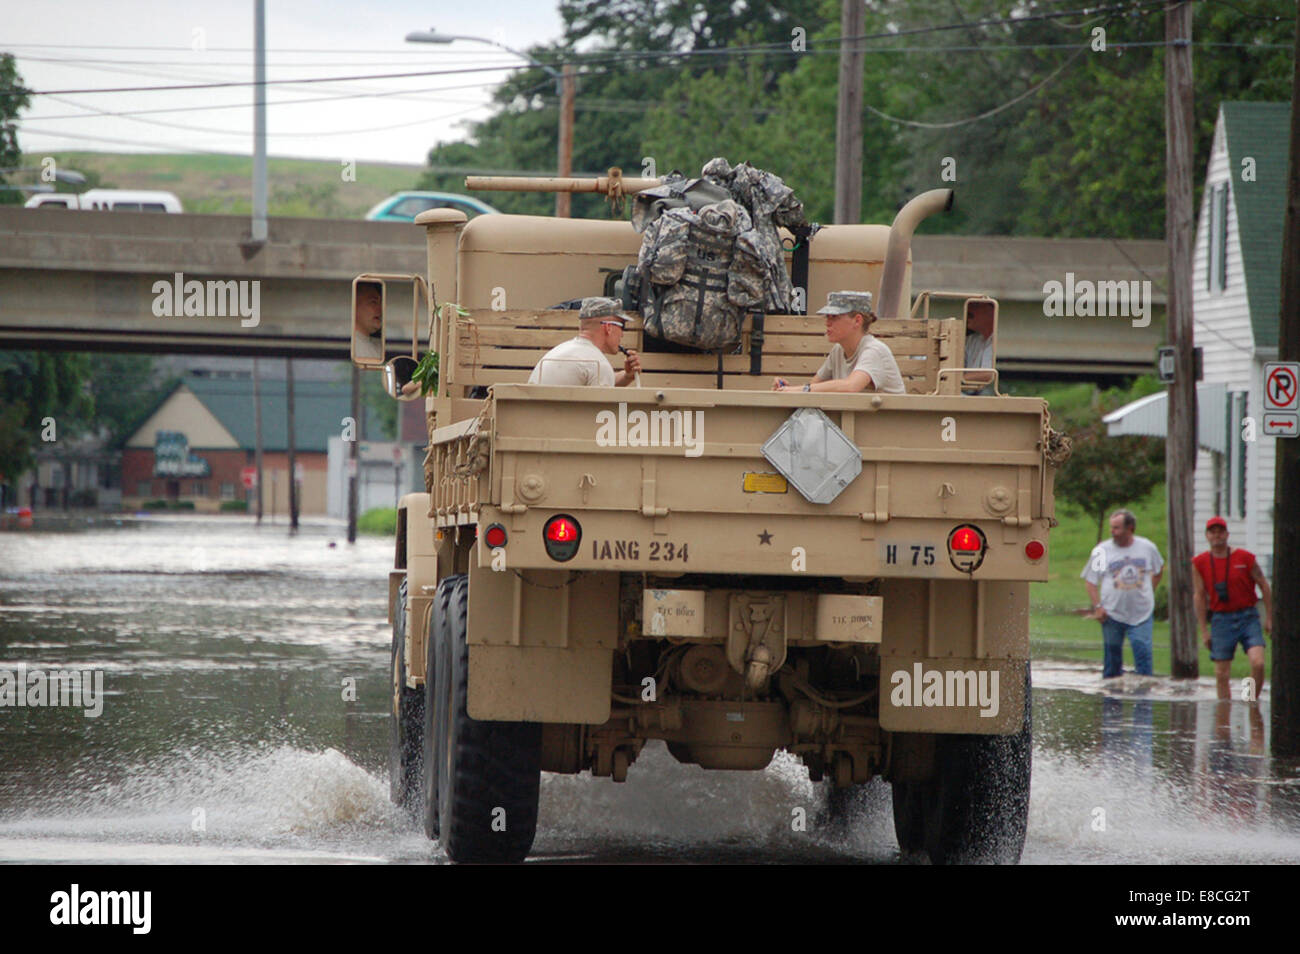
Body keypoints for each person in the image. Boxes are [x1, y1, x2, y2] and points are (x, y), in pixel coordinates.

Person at [1192, 516, 1271, 701]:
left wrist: (1269, 617)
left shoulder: (1245, 558)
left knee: (1258, 662)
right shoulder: (1200, 562)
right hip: (1221, 618)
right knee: (1221, 673)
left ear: (1227, 534)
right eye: (1213, 532)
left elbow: (1264, 585)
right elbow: (1199, 595)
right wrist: (1204, 630)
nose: (1217, 535)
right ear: (1207, 536)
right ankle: (1224, 715)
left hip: (1248, 615)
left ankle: (1249, 698)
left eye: (1220, 531)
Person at [1081, 509, 1164, 678]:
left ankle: (1144, 698)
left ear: (1130, 528)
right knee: (1112, 661)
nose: (1113, 532)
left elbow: (1158, 570)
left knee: (1143, 653)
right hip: (1112, 614)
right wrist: (1098, 607)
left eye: (1117, 528)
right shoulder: (1102, 550)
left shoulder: (1147, 547)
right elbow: (1090, 581)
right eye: (1111, 528)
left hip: (1141, 614)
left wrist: (1149, 592)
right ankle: (1111, 699)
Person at [772, 290, 905, 394]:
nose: (827, 323)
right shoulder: (838, 350)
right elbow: (814, 387)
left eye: (835, 317)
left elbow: (851, 386)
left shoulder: (874, 350)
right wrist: (789, 389)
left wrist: (802, 390)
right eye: (827, 317)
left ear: (857, 321)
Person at [527, 297, 641, 387]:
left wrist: (626, 376)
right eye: (622, 326)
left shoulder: (562, 350)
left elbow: (591, 379)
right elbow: (599, 413)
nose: (622, 334)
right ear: (608, 328)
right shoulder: (597, 364)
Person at [962, 299, 996, 395]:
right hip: (967, 393)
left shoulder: (997, 341)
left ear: (991, 312)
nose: (969, 310)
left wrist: (958, 379)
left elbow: (988, 375)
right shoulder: (971, 340)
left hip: (987, 396)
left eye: (976, 305)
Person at [353, 280, 384, 362]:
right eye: (373, 302)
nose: (380, 310)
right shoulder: (347, 346)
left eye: (381, 303)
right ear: (354, 306)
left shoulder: (382, 346)